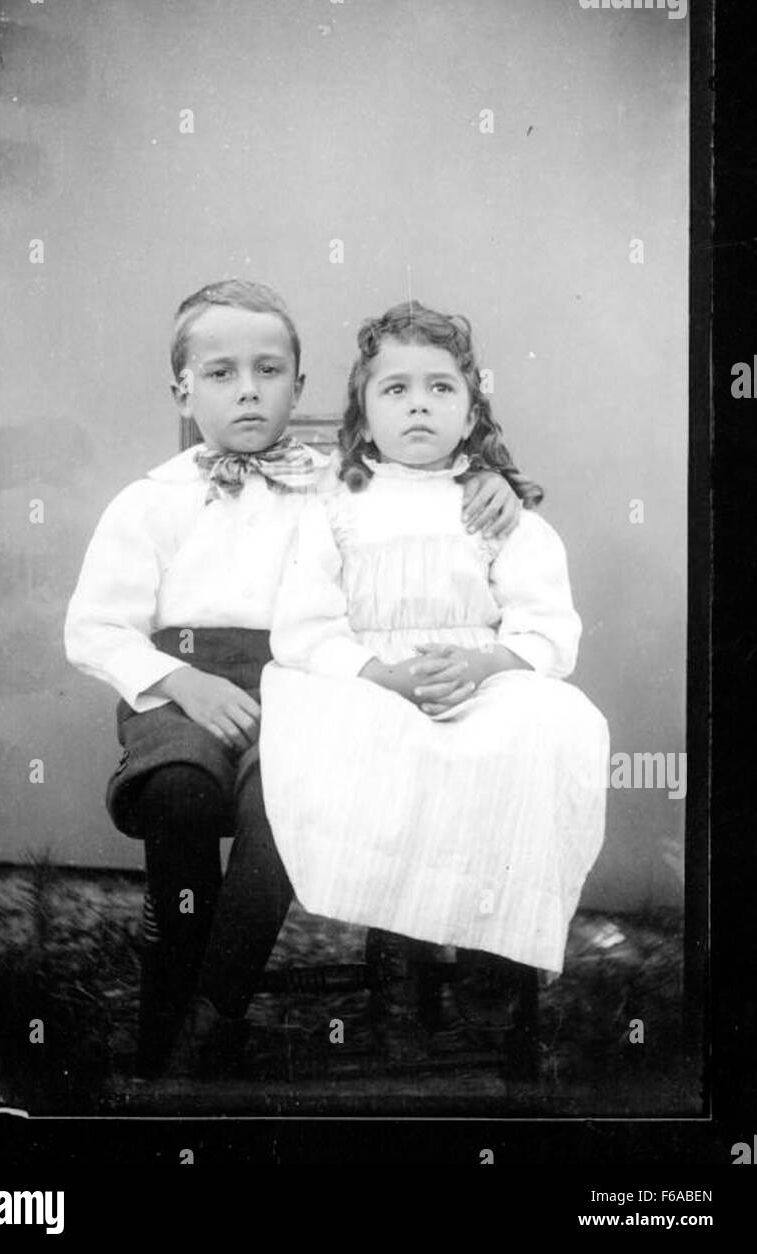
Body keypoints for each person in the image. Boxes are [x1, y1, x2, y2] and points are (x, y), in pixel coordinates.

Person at [63, 281, 521, 1079]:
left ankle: (213, 1014)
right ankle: (169, 1006)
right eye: (220, 373)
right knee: (180, 794)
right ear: (182, 389)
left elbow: (426, 479)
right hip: (181, 687)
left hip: (302, 680)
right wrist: (181, 682)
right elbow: (95, 628)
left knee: (283, 795)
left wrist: (488, 482)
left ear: (299, 385)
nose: (247, 388)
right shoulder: (149, 501)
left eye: (269, 370)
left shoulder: (342, 483)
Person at [260, 300, 610, 1058]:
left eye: (440, 388)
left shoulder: (496, 510)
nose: (419, 403)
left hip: (483, 681)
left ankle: (490, 968)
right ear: (362, 408)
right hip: (368, 684)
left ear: (471, 407)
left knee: (544, 730)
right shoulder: (335, 508)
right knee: (392, 753)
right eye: (395, 389)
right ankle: (402, 979)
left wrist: (484, 664)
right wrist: (378, 674)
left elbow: (549, 630)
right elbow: (304, 628)